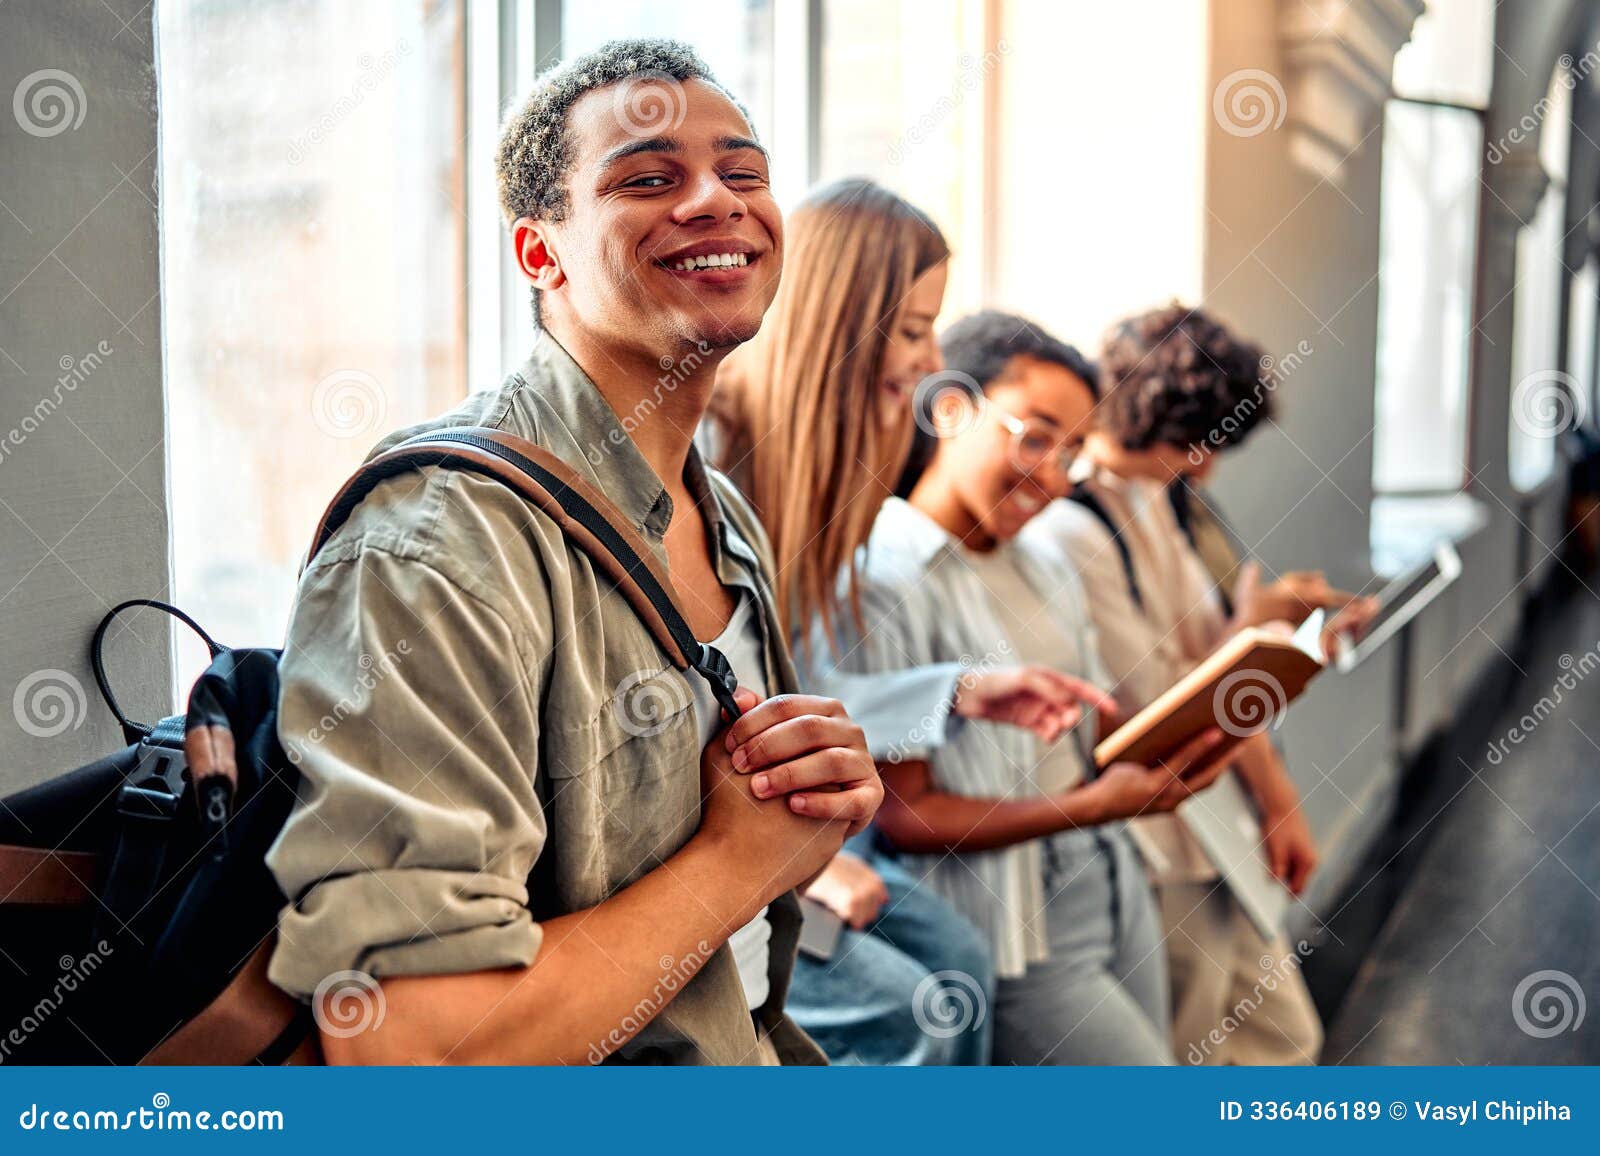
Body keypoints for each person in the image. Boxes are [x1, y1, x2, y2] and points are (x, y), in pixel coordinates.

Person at [264, 38, 883, 1066]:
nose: (714, 200)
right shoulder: (440, 542)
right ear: (539, 253)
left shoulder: (720, 512)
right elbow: (409, 1048)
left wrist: (812, 795)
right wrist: (743, 859)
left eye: (743, 172)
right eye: (647, 178)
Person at [789, 308, 1234, 1064]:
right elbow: (905, 814)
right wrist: (1087, 805)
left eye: (1070, 452)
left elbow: (1090, 722)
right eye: (1033, 436)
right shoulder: (883, 576)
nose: (1053, 477)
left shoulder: (1046, 564)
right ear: (952, 408)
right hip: (1011, 918)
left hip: (1106, 875)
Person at [709, 179, 1001, 1064]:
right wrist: (806, 865)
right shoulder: (717, 463)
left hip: (786, 832)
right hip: (725, 848)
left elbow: (807, 692)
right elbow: (709, 719)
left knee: (962, 961)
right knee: (917, 1009)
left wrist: (964, 692)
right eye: (913, 330)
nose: (932, 358)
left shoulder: (824, 486)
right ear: (844, 325)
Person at [1023, 302, 1342, 1064]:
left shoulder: (1152, 504)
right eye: (1198, 444)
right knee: (1191, 1052)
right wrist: (1252, 632)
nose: (1205, 465)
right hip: (1157, 841)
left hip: (1213, 821)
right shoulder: (1067, 531)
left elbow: (1209, 661)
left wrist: (1278, 798)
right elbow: (1163, 703)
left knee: (1287, 1040)